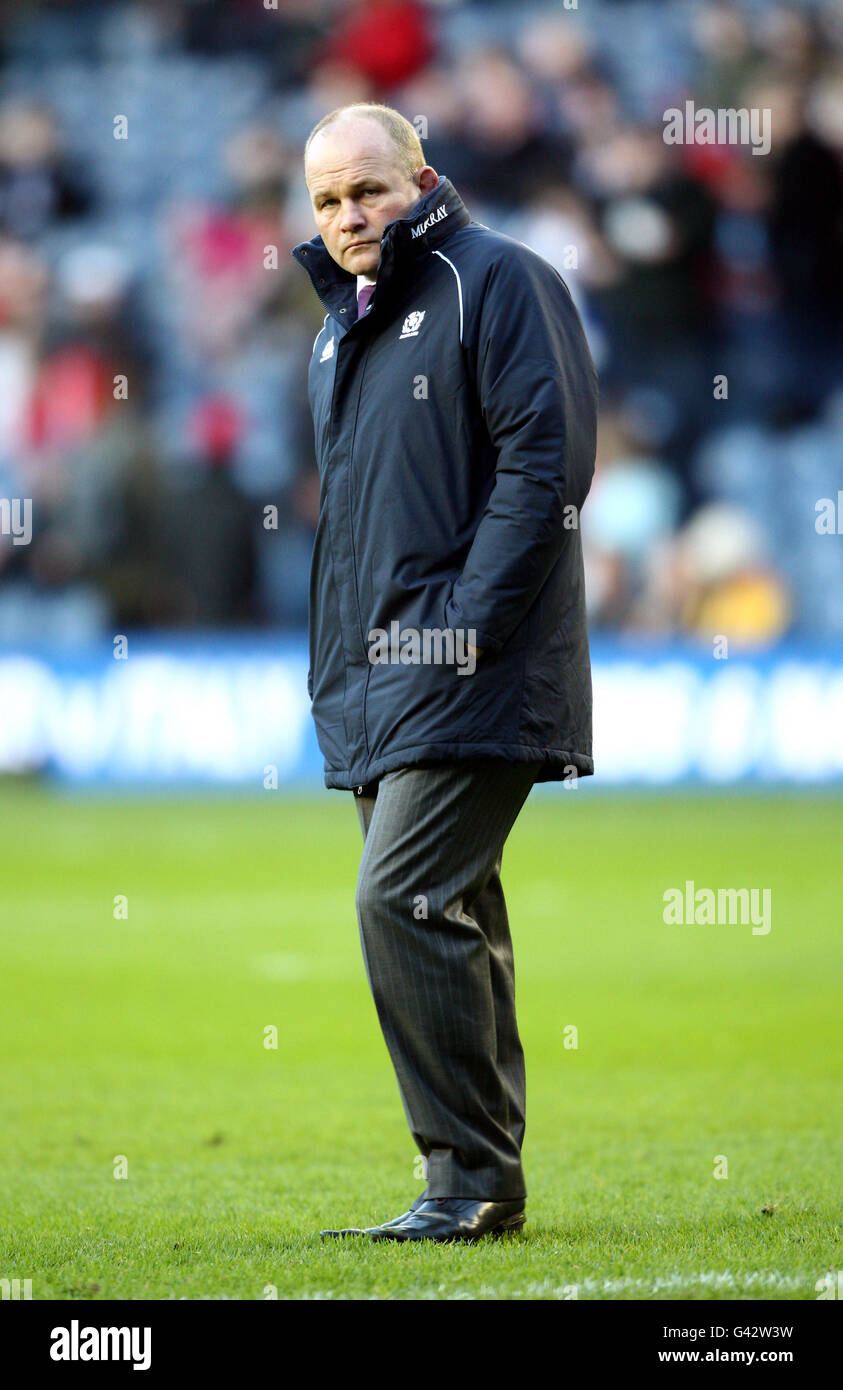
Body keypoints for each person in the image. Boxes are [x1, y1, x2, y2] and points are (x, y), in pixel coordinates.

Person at [291, 102, 597, 1243]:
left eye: (367, 189)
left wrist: (464, 627)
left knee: (402, 897)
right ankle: (480, 1179)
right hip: (379, 678)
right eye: (326, 200)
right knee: (452, 907)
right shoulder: (337, 331)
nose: (349, 216)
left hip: (472, 667)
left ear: (423, 176)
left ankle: (467, 1176)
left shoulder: (501, 279)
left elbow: (548, 466)